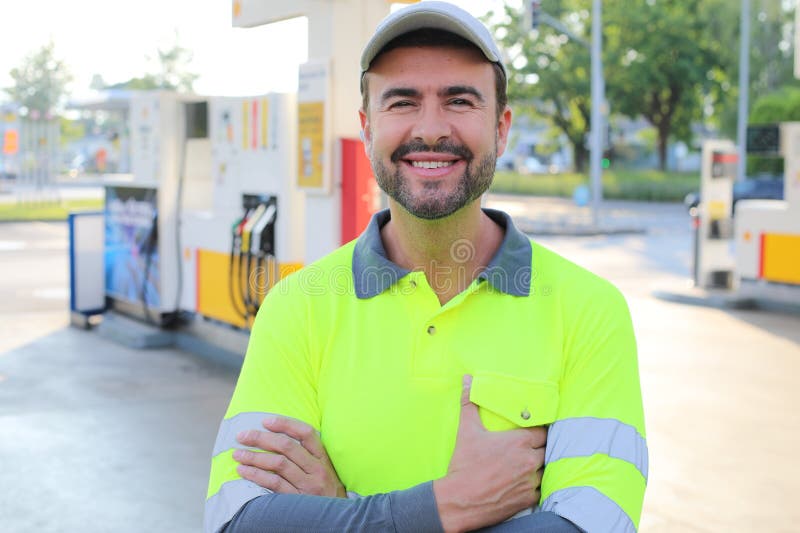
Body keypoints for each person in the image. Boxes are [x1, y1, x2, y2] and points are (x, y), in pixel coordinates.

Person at [205, 2, 647, 532]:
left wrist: (346, 509)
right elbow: (239, 521)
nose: (432, 129)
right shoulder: (296, 307)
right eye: (403, 102)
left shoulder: (588, 312)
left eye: (459, 100)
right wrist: (444, 508)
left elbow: (589, 527)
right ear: (368, 128)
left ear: (501, 128)